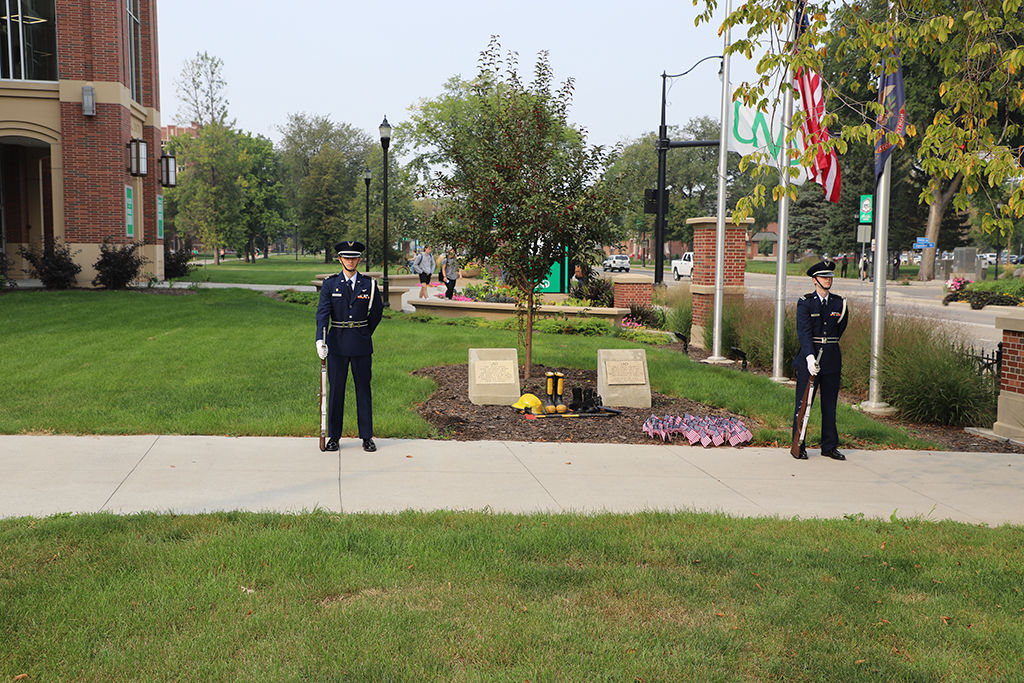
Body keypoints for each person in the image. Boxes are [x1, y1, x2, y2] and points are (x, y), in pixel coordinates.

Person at [315, 240, 384, 453]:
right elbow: (323, 314)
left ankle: (366, 437)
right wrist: (320, 339)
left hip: (361, 344)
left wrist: (363, 332)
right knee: (336, 391)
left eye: (354, 257)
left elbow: (377, 313)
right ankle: (334, 437)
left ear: (359, 260)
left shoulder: (369, 284)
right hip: (336, 344)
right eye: (347, 257)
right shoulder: (330, 284)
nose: (351, 261)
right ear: (340, 259)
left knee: (363, 390)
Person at [791, 260, 849, 461]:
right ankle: (799, 444)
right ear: (815, 280)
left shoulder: (839, 303)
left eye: (830, 276)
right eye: (824, 277)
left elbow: (839, 330)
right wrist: (809, 357)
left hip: (831, 358)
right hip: (810, 358)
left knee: (830, 404)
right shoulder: (805, 302)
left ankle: (829, 446)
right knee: (804, 403)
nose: (828, 279)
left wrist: (826, 347)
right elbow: (804, 332)